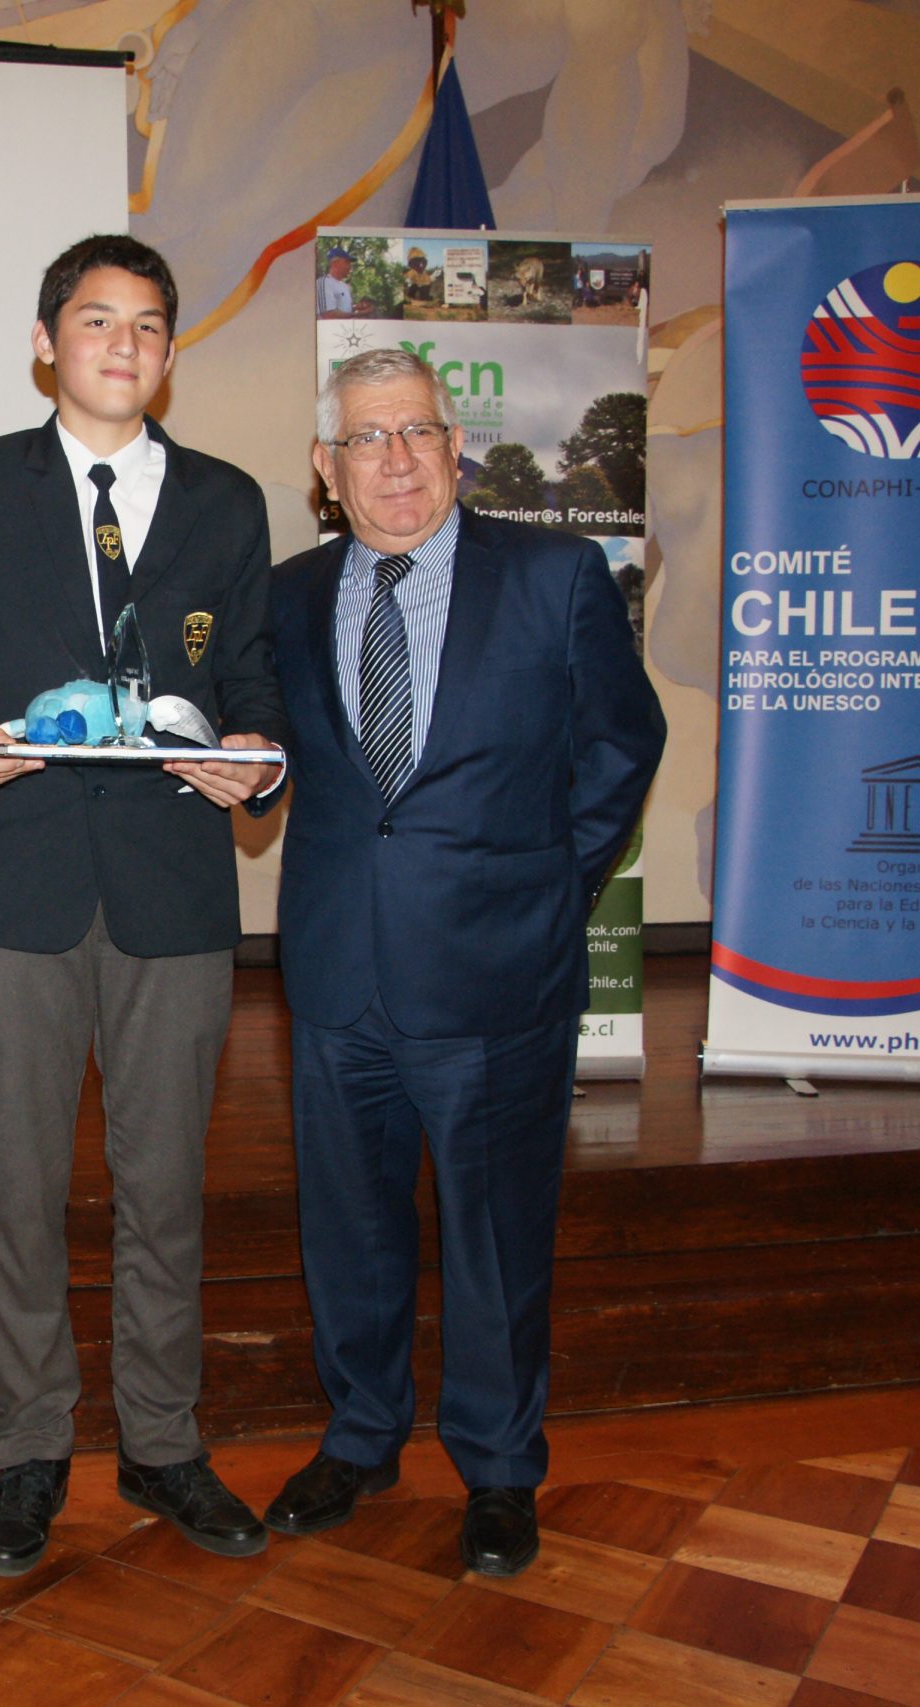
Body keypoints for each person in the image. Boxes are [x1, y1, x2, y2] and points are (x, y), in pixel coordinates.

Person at [0, 234, 287, 1575]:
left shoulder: (228, 501)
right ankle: (30, 1451)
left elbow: (257, 684)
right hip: (14, 887)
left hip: (174, 886)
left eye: (151, 325)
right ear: (48, 341)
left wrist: (255, 761)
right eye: (98, 321)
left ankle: (166, 1443)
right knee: (19, 1192)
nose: (126, 344)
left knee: (166, 1187)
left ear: (172, 352)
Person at [263, 348, 664, 1576]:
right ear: (326, 472)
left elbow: (621, 745)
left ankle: (496, 1469)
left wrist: (549, 889)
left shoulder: (553, 577)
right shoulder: (286, 594)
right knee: (351, 1232)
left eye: (416, 435)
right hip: (338, 977)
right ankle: (363, 1435)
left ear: (453, 450)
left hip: (497, 975)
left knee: (495, 1239)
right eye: (365, 441)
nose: (393, 461)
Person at [316, 247, 358, 318]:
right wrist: (358, 314)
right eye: (347, 262)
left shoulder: (345, 286)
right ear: (335, 263)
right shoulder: (324, 282)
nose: (350, 267)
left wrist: (357, 307)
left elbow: (344, 308)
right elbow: (328, 314)